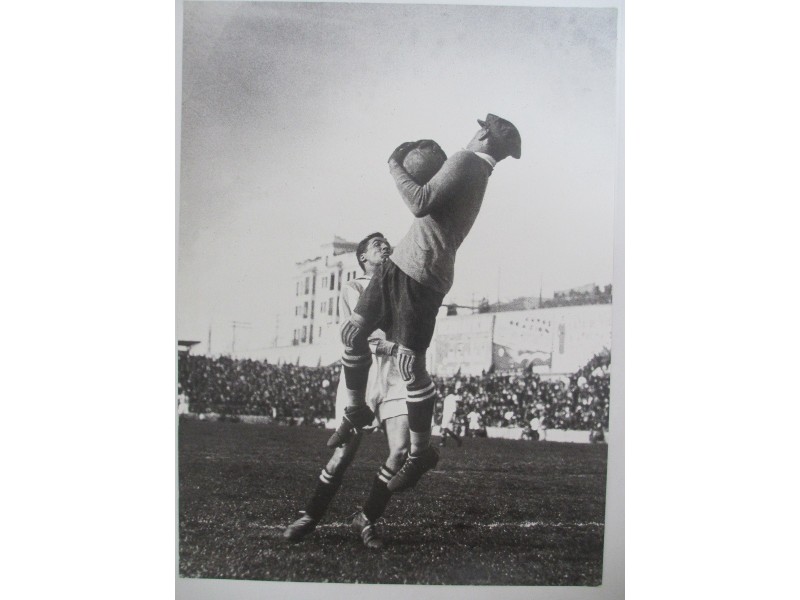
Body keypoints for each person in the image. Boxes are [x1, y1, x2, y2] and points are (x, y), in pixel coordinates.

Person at [331, 114, 521, 493]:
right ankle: (356, 408)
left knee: (407, 362)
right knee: (352, 332)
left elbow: (419, 202)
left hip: (421, 276)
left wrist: (394, 167)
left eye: (478, 127)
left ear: (483, 133)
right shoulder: (474, 170)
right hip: (402, 264)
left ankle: (420, 453)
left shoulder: (466, 161)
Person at [283, 232, 410, 549]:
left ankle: (366, 518)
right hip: (363, 371)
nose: (384, 246)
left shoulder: (403, 286)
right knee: (343, 455)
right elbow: (364, 332)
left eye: (386, 244)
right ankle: (310, 515)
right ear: (363, 257)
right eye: (376, 245)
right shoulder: (354, 287)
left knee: (401, 450)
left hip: (395, 373)